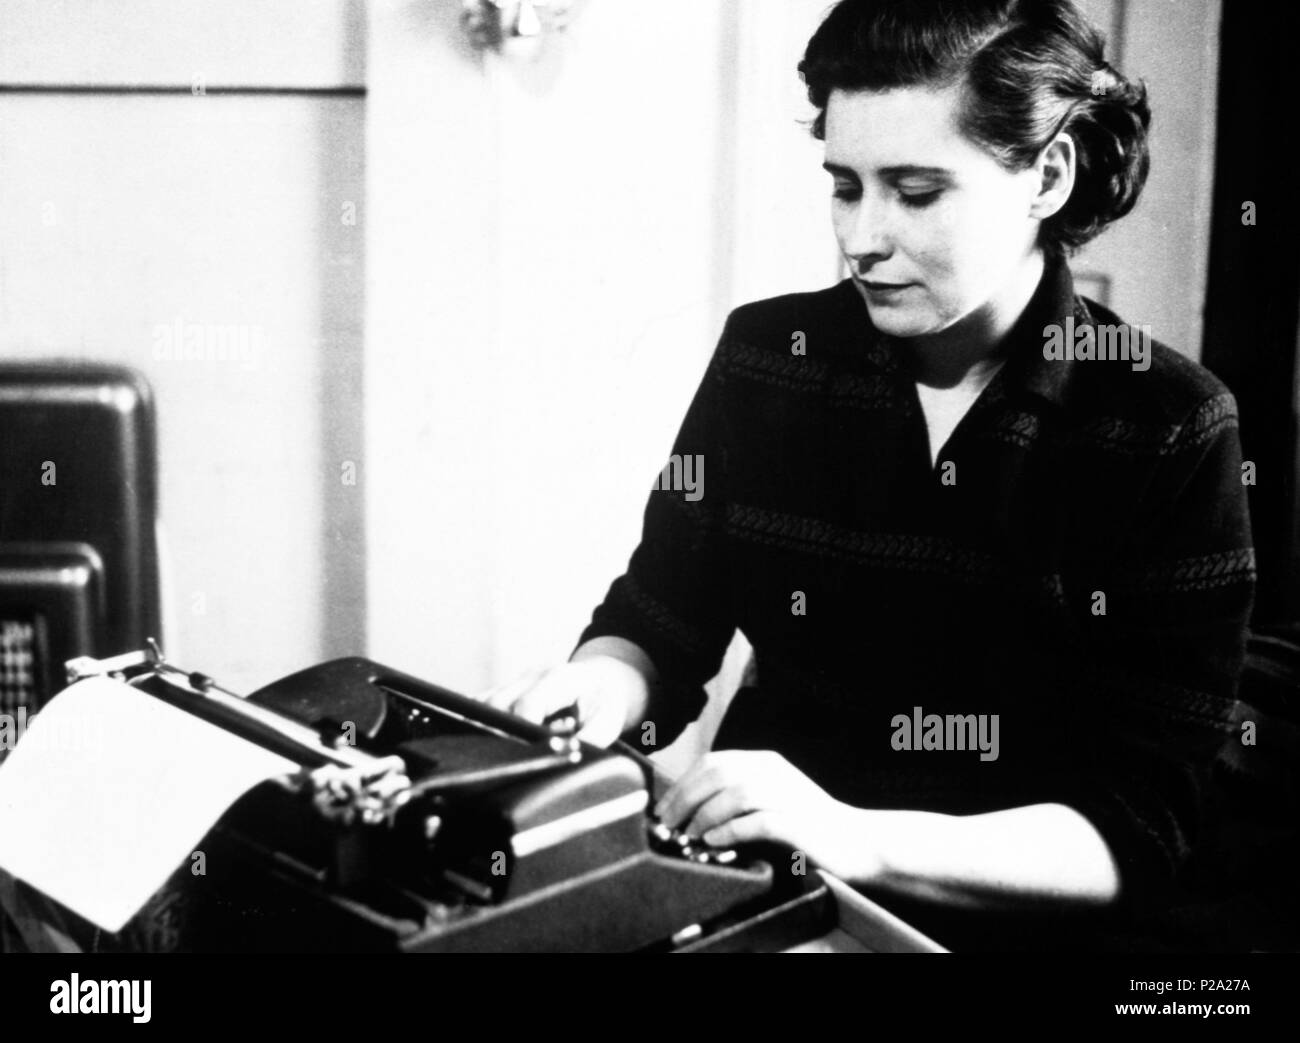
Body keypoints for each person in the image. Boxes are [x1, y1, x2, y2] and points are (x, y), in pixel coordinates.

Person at [481, 0, 1255, 951]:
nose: (862, 237)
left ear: (1048, 177)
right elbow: (659, 620)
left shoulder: (1171, 424)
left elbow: (1141, 830)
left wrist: (853, 836)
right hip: (761, 897)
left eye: (916, 193)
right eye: (845, 187)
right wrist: (601, 687)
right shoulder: (769, 356)